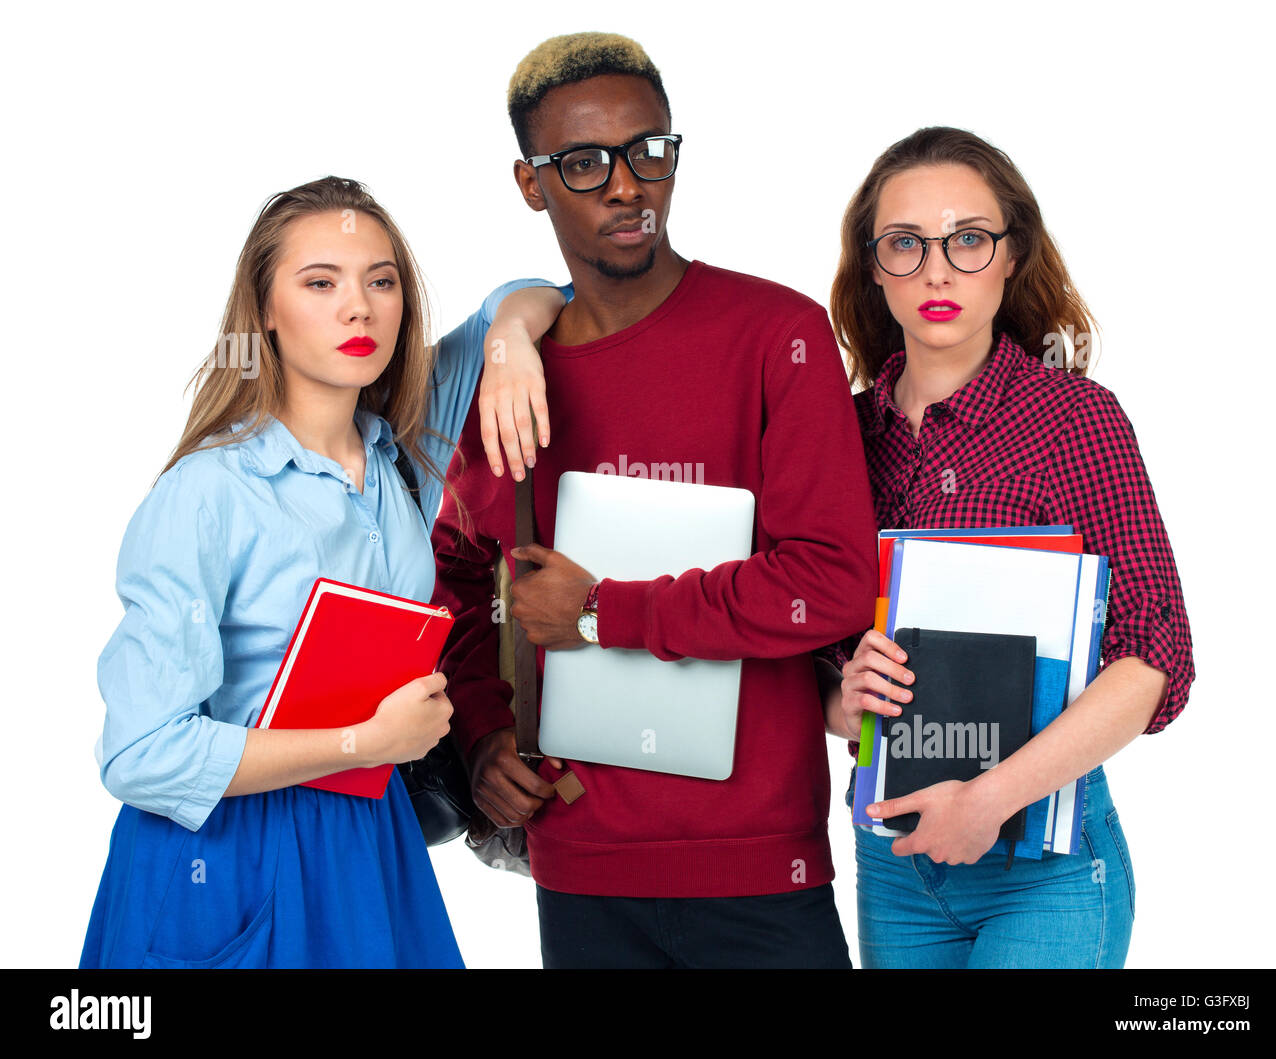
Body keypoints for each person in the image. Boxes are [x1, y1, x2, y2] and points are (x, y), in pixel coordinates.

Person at [430, 32, 877, 970]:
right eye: (584, 164)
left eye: (649, 151)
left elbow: (832, 583)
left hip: (759, 860)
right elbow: (456, 570)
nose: (627, 186)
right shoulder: (519, 378)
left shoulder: (779, 335)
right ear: (530, 183)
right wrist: (479, 731)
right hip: (582, 856)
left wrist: (602, 610)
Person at [79, 175, 565, 968]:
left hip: (368, 842)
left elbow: (538, 292)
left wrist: (509, 342)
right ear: (264, 311)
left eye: (382, 281)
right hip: (227, 855)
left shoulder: (405, 445)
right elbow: (141, 751)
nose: (359, 308)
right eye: (320, 283)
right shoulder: (208, 492)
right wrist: (359, 741)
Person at [816, 127, 1195, 968]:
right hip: (893, 858)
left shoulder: (1075, 421)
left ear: (1011, 254)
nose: (938, 269)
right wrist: (842, 702)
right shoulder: (837, 435)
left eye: (969, 239)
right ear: (874, 267)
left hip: (1044, 866)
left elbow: (1157, 655)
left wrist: (990, 799)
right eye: (905, 244)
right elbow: (802, 651)